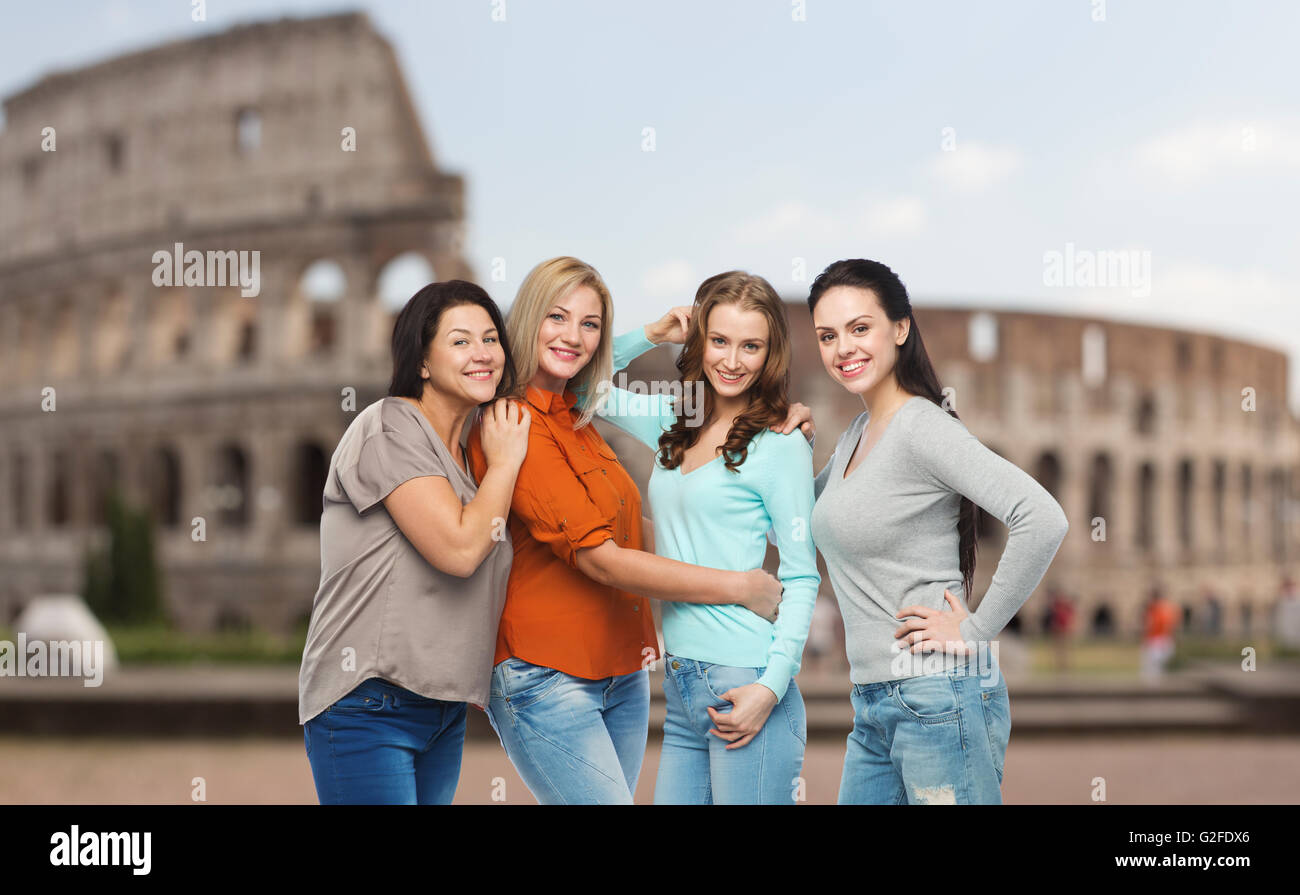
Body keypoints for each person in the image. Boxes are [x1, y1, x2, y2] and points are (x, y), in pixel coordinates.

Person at [465, 256, 787, 805]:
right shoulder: (514, 423)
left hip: (622, 673)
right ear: (526, 319)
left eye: (591, 324)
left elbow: (584, 373)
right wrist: (739, 584)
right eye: (556, 316)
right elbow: (602, 559)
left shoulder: (577, 414)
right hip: (546, 676)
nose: (573, 336)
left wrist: (652, 333)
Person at [807, 258, 1069, 804]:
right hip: (875, 702)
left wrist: (975, 633)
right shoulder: (857, 433)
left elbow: (1042, 518)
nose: (843, 348)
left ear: (900, 329)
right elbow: (793, 524)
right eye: (828, 335)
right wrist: (779, 442)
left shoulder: (923, 426)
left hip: (935, 694)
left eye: (860, 328)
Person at [298, 280, 531, 804]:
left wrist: (652, 334)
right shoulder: (389, 427)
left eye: (491, 339)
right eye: (461, 341)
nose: (483, 354)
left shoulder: (472, 462)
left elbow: (572, 370)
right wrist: (509, 461)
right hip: (368, 701)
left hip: (441, 707)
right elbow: (459, 549)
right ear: (422, 362)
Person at [596, 270, 820, 804]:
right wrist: (651, 333)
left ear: (771, 354)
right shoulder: (673, 419)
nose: (733, 360)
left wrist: (771, 688)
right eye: (719, 340)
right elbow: (579, 386)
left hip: (747, 677)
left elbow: (801, 572)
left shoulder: (781, 443)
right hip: (682, 683)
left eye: (751, 346)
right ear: (699, 341)